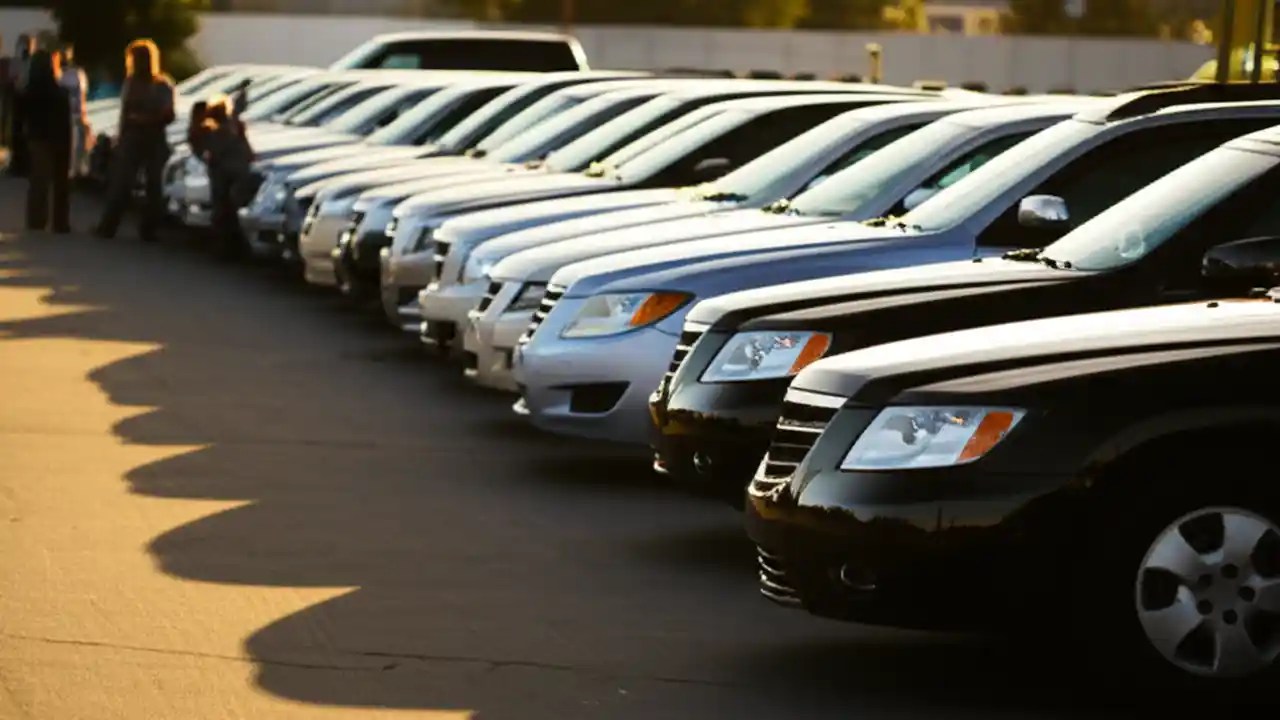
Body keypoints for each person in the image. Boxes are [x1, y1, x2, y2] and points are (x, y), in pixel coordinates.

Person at [95, 39, 175, 242]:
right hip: (133, 139)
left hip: (152, 138)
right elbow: (125, 113)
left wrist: (144, 120)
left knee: (152, 186)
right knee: (122, 183)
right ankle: (109, 226)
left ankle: (147, 229)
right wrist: (120, 136)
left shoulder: (162, 85)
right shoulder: (131, 82)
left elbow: (168, 115)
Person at [22, 49, 72, 233]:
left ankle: (36, 220)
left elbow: (21, 120)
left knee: (38, 181)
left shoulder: (27, 92)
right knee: (61, 181)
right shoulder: (60, 93)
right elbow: (65, 120)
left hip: (37, 138)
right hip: (58, 138)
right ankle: (60, 222)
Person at [201, 94, 254, 260]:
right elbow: (248, 152)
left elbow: (214, 155)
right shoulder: (236, 127)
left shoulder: (219, 132)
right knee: (232, 211)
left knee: (222, 211)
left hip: (225, 174)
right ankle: (235, 247)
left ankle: (225, 248)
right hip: (239, 172)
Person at [57, 44, 90, 179]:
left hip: (74, 114)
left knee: (78, 143)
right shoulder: (57, 73)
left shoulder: (76, 73)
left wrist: (82, 113)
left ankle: (77, 170)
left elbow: (82, 96)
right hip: (63, 115)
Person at [7, 34, 34, 177]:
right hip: (18, 97)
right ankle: (16, 163)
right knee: (16, 130)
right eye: (22, 44)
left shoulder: (33, 61)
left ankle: (25, 164)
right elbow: (12, 78)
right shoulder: (16, 61)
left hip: (29, 98)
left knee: (26, 131)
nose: (24, 47)